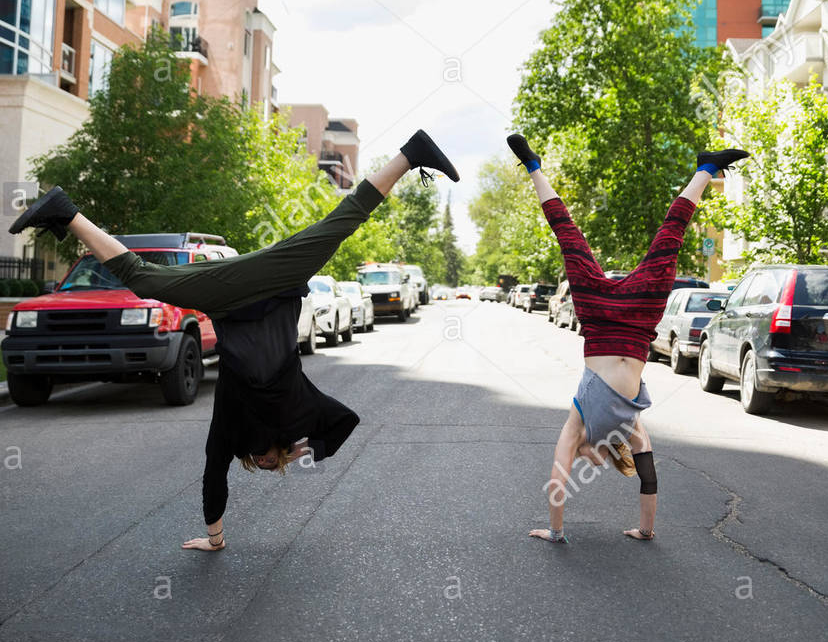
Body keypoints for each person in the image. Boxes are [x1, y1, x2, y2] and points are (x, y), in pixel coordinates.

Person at [9, 129, 459, 551]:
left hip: (225, 295)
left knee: (144, 280)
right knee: (340, 224)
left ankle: (64, 212)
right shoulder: (301, 412)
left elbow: (212, 474)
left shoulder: (232, 426)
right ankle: (410, 153)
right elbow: (346, 422)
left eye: (261, 467)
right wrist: (302, 449)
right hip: (272, 278)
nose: (265, 466)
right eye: (274, 465)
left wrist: (215, 538)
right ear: (280, 456)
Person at [506, 133, 748, 546]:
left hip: (599, 321)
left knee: (568, 236)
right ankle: (707, 168)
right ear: (615, 455)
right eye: (600, 460)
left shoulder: (576, 421)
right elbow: (649, 479)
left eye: (589, 459)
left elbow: (558, 477)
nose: (591, 460)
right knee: (670, 240)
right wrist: (647, 529)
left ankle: (533, 166)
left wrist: (556, 530)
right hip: (637, 323)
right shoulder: (632, 429)